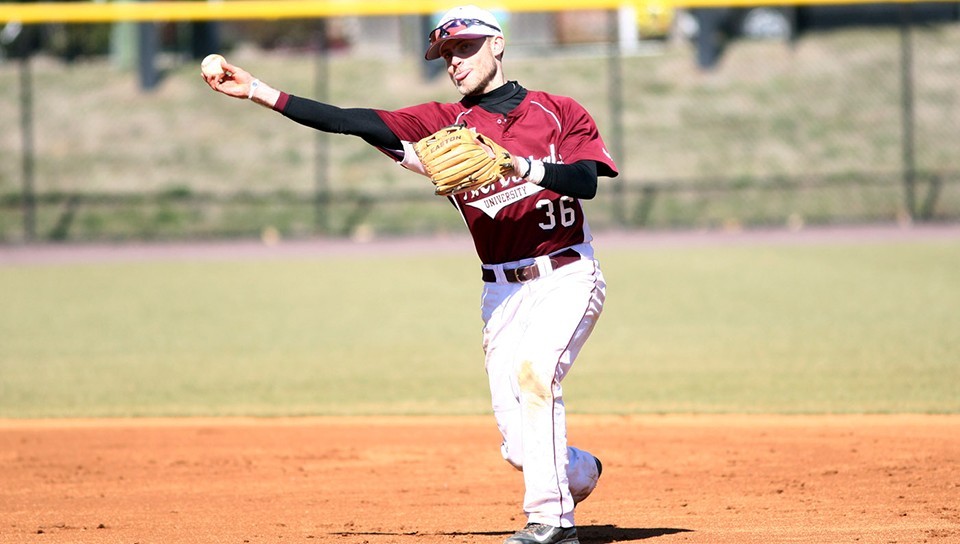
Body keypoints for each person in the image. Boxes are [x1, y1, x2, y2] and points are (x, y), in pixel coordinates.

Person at [202, 5, 618, 544]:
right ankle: (579, 472)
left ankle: (551, 524)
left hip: (566, 273)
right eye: (447, 54)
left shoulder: (559, 112)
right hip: (501, 291)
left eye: (465, 47)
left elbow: (585, 182)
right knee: (520, 447)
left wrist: (520, 166)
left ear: (498, 44)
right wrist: (258, 89)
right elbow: (348, 120)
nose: (455, 61)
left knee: (537, 374)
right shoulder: (441, 125)